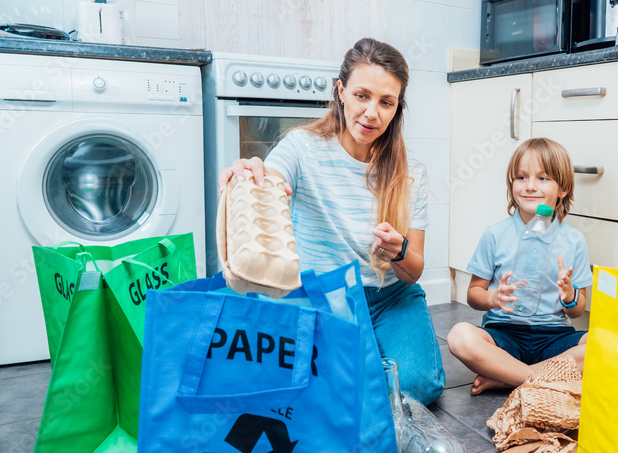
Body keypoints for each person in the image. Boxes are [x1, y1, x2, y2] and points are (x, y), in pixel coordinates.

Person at [217, 38, 445, 406]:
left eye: (386, 102)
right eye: (362, 95)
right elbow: (270, 179)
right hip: (324, 292)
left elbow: (413, 270)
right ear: (341, 92)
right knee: (335, 379)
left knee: (419, 384)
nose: (372, 112)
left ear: (396, 108)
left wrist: (399, 250)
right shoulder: (302, 148)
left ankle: (359, 376)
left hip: (390, 296)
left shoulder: (410, 173)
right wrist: (250, 174)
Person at [447, 137, 592, 395]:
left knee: (605, 345)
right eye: (521, 177)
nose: (530, 186)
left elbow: (577, 311)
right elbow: (474, 295)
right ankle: (538, 377)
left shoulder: (573, 240)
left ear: (563, 189)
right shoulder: (495, 234)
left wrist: (569, 296)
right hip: (504, 335)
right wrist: (493, 297)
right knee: (459, 336)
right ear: (511, 184)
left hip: (554, 336)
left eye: (543, 178)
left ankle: (508, 376)